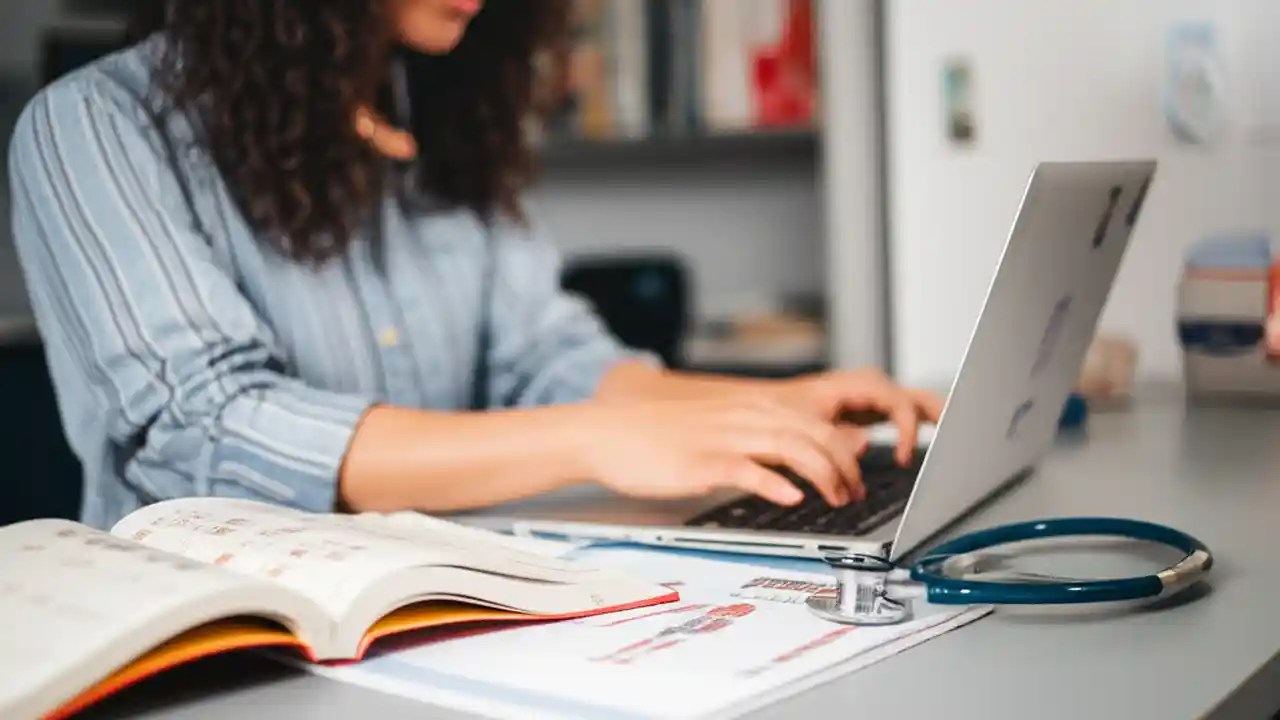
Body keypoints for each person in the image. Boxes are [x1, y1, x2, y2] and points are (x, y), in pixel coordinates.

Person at [8, 0, 942, 531]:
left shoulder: (435, 124)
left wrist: (764, 406)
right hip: (211, 656)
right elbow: (217, 428)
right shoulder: (91, 127)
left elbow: (552, 360)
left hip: (428, 622)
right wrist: (585, 440)